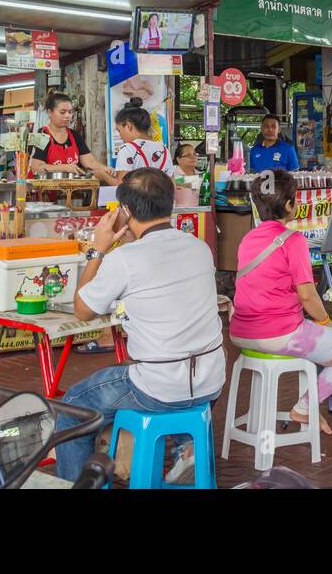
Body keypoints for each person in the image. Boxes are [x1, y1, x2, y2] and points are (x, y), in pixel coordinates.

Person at [55, 168, 226, 483]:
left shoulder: (126, 259)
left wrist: (98, 248)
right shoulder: (199, 247)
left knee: (71, 409)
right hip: (211, 380)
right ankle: (184, 448)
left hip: (157, 385)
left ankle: (76, 483)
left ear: (126, 211)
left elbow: (83, 310)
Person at [229, 169, 332, 436]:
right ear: (290, 205)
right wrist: (327, 323)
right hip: (278, 334)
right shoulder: (293, 241)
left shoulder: (247, 239)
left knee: (330, 341)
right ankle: (304, 408)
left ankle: (306, 407)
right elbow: (307, 295)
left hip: (240, 333)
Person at [28, 91, 114, 181]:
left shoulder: (74, 135)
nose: (67, 116)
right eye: (62, 112)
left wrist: (105, 168)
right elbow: (36, 167)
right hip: (43, 191)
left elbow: (90, 161)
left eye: (70, 112)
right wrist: (64, 168)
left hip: (68, 190)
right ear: (49, 112)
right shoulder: (40, 135)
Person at [110, 100, 170, 179]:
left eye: (119, 130)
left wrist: (103, 175)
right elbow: (172, 184)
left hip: (137, 192)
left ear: (128, 126)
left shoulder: (127, 149)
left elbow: (121, 184)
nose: (120, 136)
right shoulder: (164, 149)